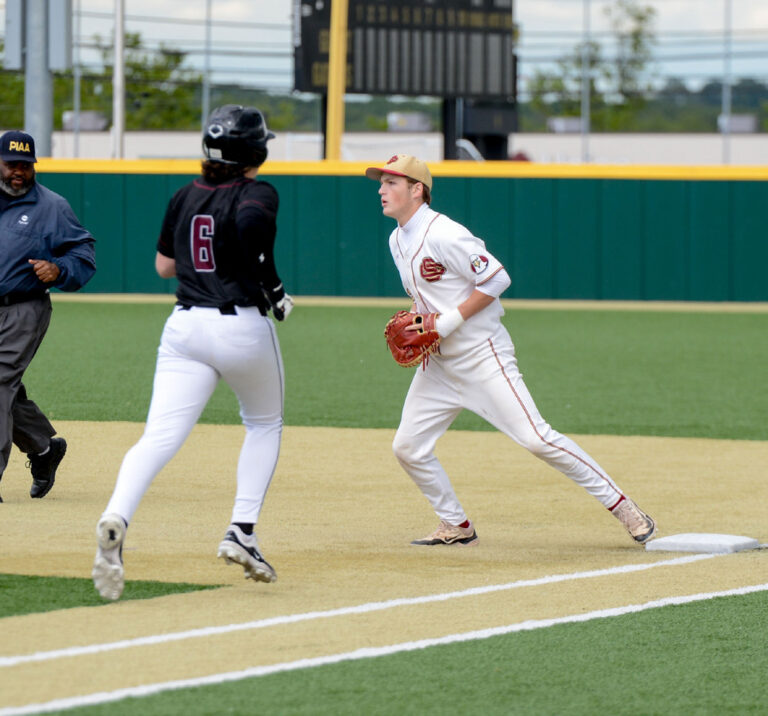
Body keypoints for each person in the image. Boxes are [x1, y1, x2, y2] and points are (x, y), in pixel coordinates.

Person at [365, 154, 657, 547]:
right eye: (381, 183)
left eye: (391, 183)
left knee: (537, 438)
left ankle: (623, 507)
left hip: (481, 355)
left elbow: (497, 277)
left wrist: (447, 321)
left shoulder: (444, 233)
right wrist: (424, 324)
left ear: (417, 190)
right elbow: (430, 296)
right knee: (408, 447)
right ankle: (456, 525)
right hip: (439, 365)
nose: (381, 190)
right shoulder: (397, 239)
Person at [92, 105, 293, 601]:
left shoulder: (185, 194)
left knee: (157, 436)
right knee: (263, 424)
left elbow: (164, 266)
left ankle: (117, 514)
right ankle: (241, 530)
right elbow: (250, 224)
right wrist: (274, 287)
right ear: (255, 150)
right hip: (239, 324)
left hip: (184, 326)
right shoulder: (257, 191)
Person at [0, 130, 96, 504]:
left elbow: (83, 253)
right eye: (11, 164)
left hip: (23, 308)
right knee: (6, 391)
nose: (18, 172)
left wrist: (59, 270)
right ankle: (43, 448)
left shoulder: (52, 207)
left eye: (25, 165)